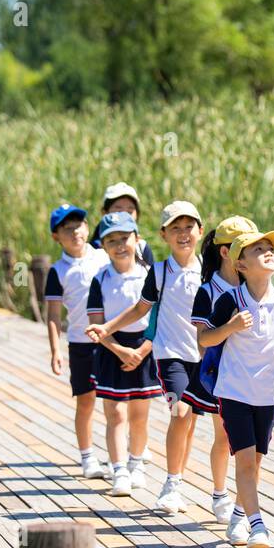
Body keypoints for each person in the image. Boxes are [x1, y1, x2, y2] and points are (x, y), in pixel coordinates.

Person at [85, 200, 216, 515]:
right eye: (175, 228)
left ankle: (179, 482)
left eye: (189, 227)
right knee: (180, 413)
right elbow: (141, 310)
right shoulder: (157, 272)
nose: (183, 234)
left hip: (204, 356)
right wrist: (107, 327)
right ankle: (170, 484)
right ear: (163, 234)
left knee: (191, 421)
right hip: (170, 354)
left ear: (200, 231)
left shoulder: (209, 271)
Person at [198, 230, 274, 548]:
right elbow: (204, 340)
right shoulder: (230, 300)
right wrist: (230, 327)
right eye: (257, 249)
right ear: (241, 265)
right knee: (245, 462)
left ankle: (238, 515)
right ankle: (258, 523)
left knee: (255, 464)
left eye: (270, 248)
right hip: (234, 393)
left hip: (267, 396)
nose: (267, 252)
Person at [191, 214, 261, 524]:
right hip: (219, 374)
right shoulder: (207, 291)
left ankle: (241, 504)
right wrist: (230, 328)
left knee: (252, 445)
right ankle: (220, 492)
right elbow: (202, 342)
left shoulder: (257, 288)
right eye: (246, 248)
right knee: (225, 438)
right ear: (225, 252)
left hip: (253, 374)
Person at [87, 211, 163, 496]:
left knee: (140, 416)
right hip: (111, 348)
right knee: (115, 414)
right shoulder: (100, 279)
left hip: (145, 346)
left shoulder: (150, 275)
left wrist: (142, 350)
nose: (120, 245)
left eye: (125, 238)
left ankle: (136, 463)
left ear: (137, 239)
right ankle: (118, 469)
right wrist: (119, 350)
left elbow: (158, 318)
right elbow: (96, 324)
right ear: (103, 246)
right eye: (112, 240)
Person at [43, 203, 110, 478]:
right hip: (81, 344)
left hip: (109, 340)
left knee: (116, 402)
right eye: (67, 229)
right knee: (86, 401)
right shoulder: (57, 271)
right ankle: (87, 456)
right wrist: (55, 350)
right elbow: (53, 313)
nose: (75, 233)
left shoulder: (104, 258)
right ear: (56, 236)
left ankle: (119, 457)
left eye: (79, 226)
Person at [89, 181, 156, 267]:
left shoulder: (141, 247)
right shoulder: (93, 250)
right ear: (104, 213)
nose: (124, 216)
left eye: (130, 211)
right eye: (118, 210)